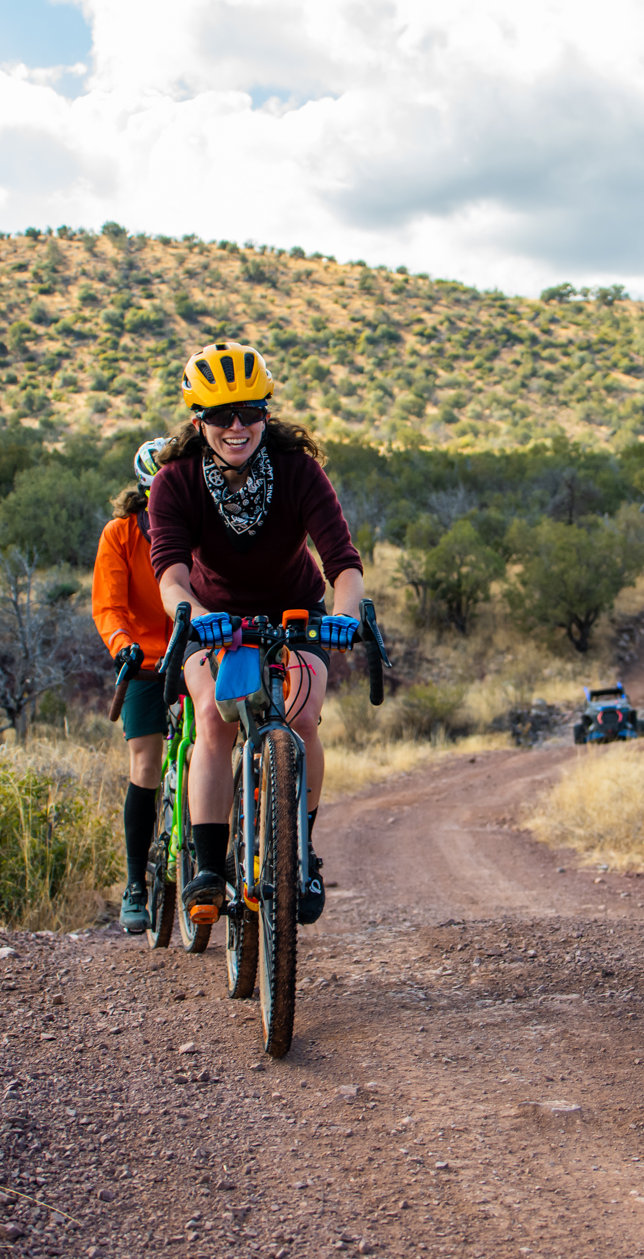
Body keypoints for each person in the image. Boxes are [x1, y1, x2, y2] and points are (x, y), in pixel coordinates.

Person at [146, 341, 365, 927]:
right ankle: (211, 868)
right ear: (200, 422)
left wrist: (344, 615)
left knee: (304, 717)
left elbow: (342, 561)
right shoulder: (175, 480)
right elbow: (169, 573)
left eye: (249, 412)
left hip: (295, 612)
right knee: (215, 718)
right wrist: (192, 614)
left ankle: (301, 853)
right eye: (221, 416)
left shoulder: (298, 470)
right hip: (212, 617)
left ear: (266, 412)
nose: (236, 426)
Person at [92, 438, 173, 933]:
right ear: (144, 493)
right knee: (146, 762)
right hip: (143, 659)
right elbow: (109, 605)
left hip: (198, 653)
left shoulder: (202, 525)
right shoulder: (120, 534)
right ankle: (135, 884)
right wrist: (122, 643)